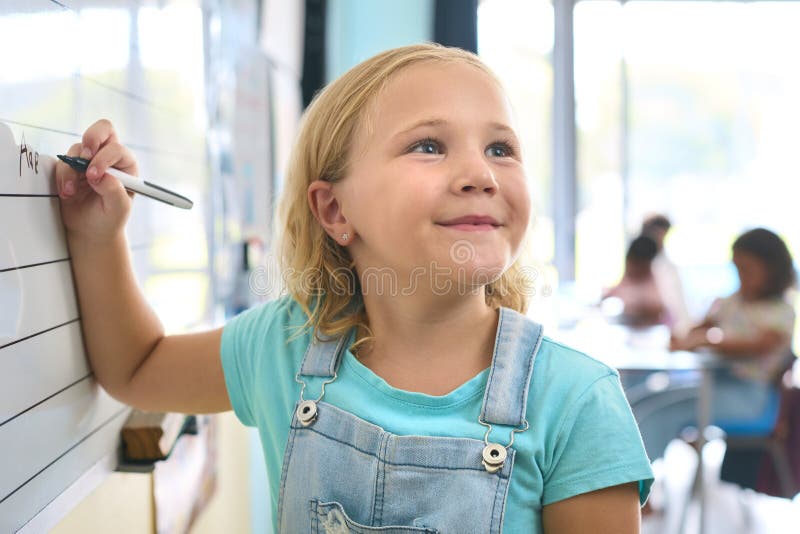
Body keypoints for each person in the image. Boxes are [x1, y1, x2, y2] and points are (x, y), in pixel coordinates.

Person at [55, 44, 652, 532]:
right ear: (335, 209)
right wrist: (98, 234)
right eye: (429, 146)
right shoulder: (283, 343)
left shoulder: (577, 403)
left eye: (501, 148)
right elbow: (137, 366)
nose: (481, 174)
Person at [631, 228, 797, 462]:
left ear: (772, 270)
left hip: (751, 399)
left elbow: (757, 345)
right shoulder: (733, 302)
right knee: (642, 401)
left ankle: (637, 490)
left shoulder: (781, 312)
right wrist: (688, 335)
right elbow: (698, 327)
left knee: (661, 415)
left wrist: (707, 340)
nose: (742, 277)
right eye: (737, 269)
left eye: (747, 270)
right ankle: (631, 486)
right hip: (714, 385)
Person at [641, 214, 691, 335]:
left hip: (669, 327)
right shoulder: (640, 262)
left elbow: (677, 303)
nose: (660, 237)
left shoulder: (668, 266)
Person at [602, 235, 668, 327]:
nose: (630, 267)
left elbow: (657, 307)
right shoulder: (630, 276)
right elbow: (615, 291)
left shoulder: (657, 279)